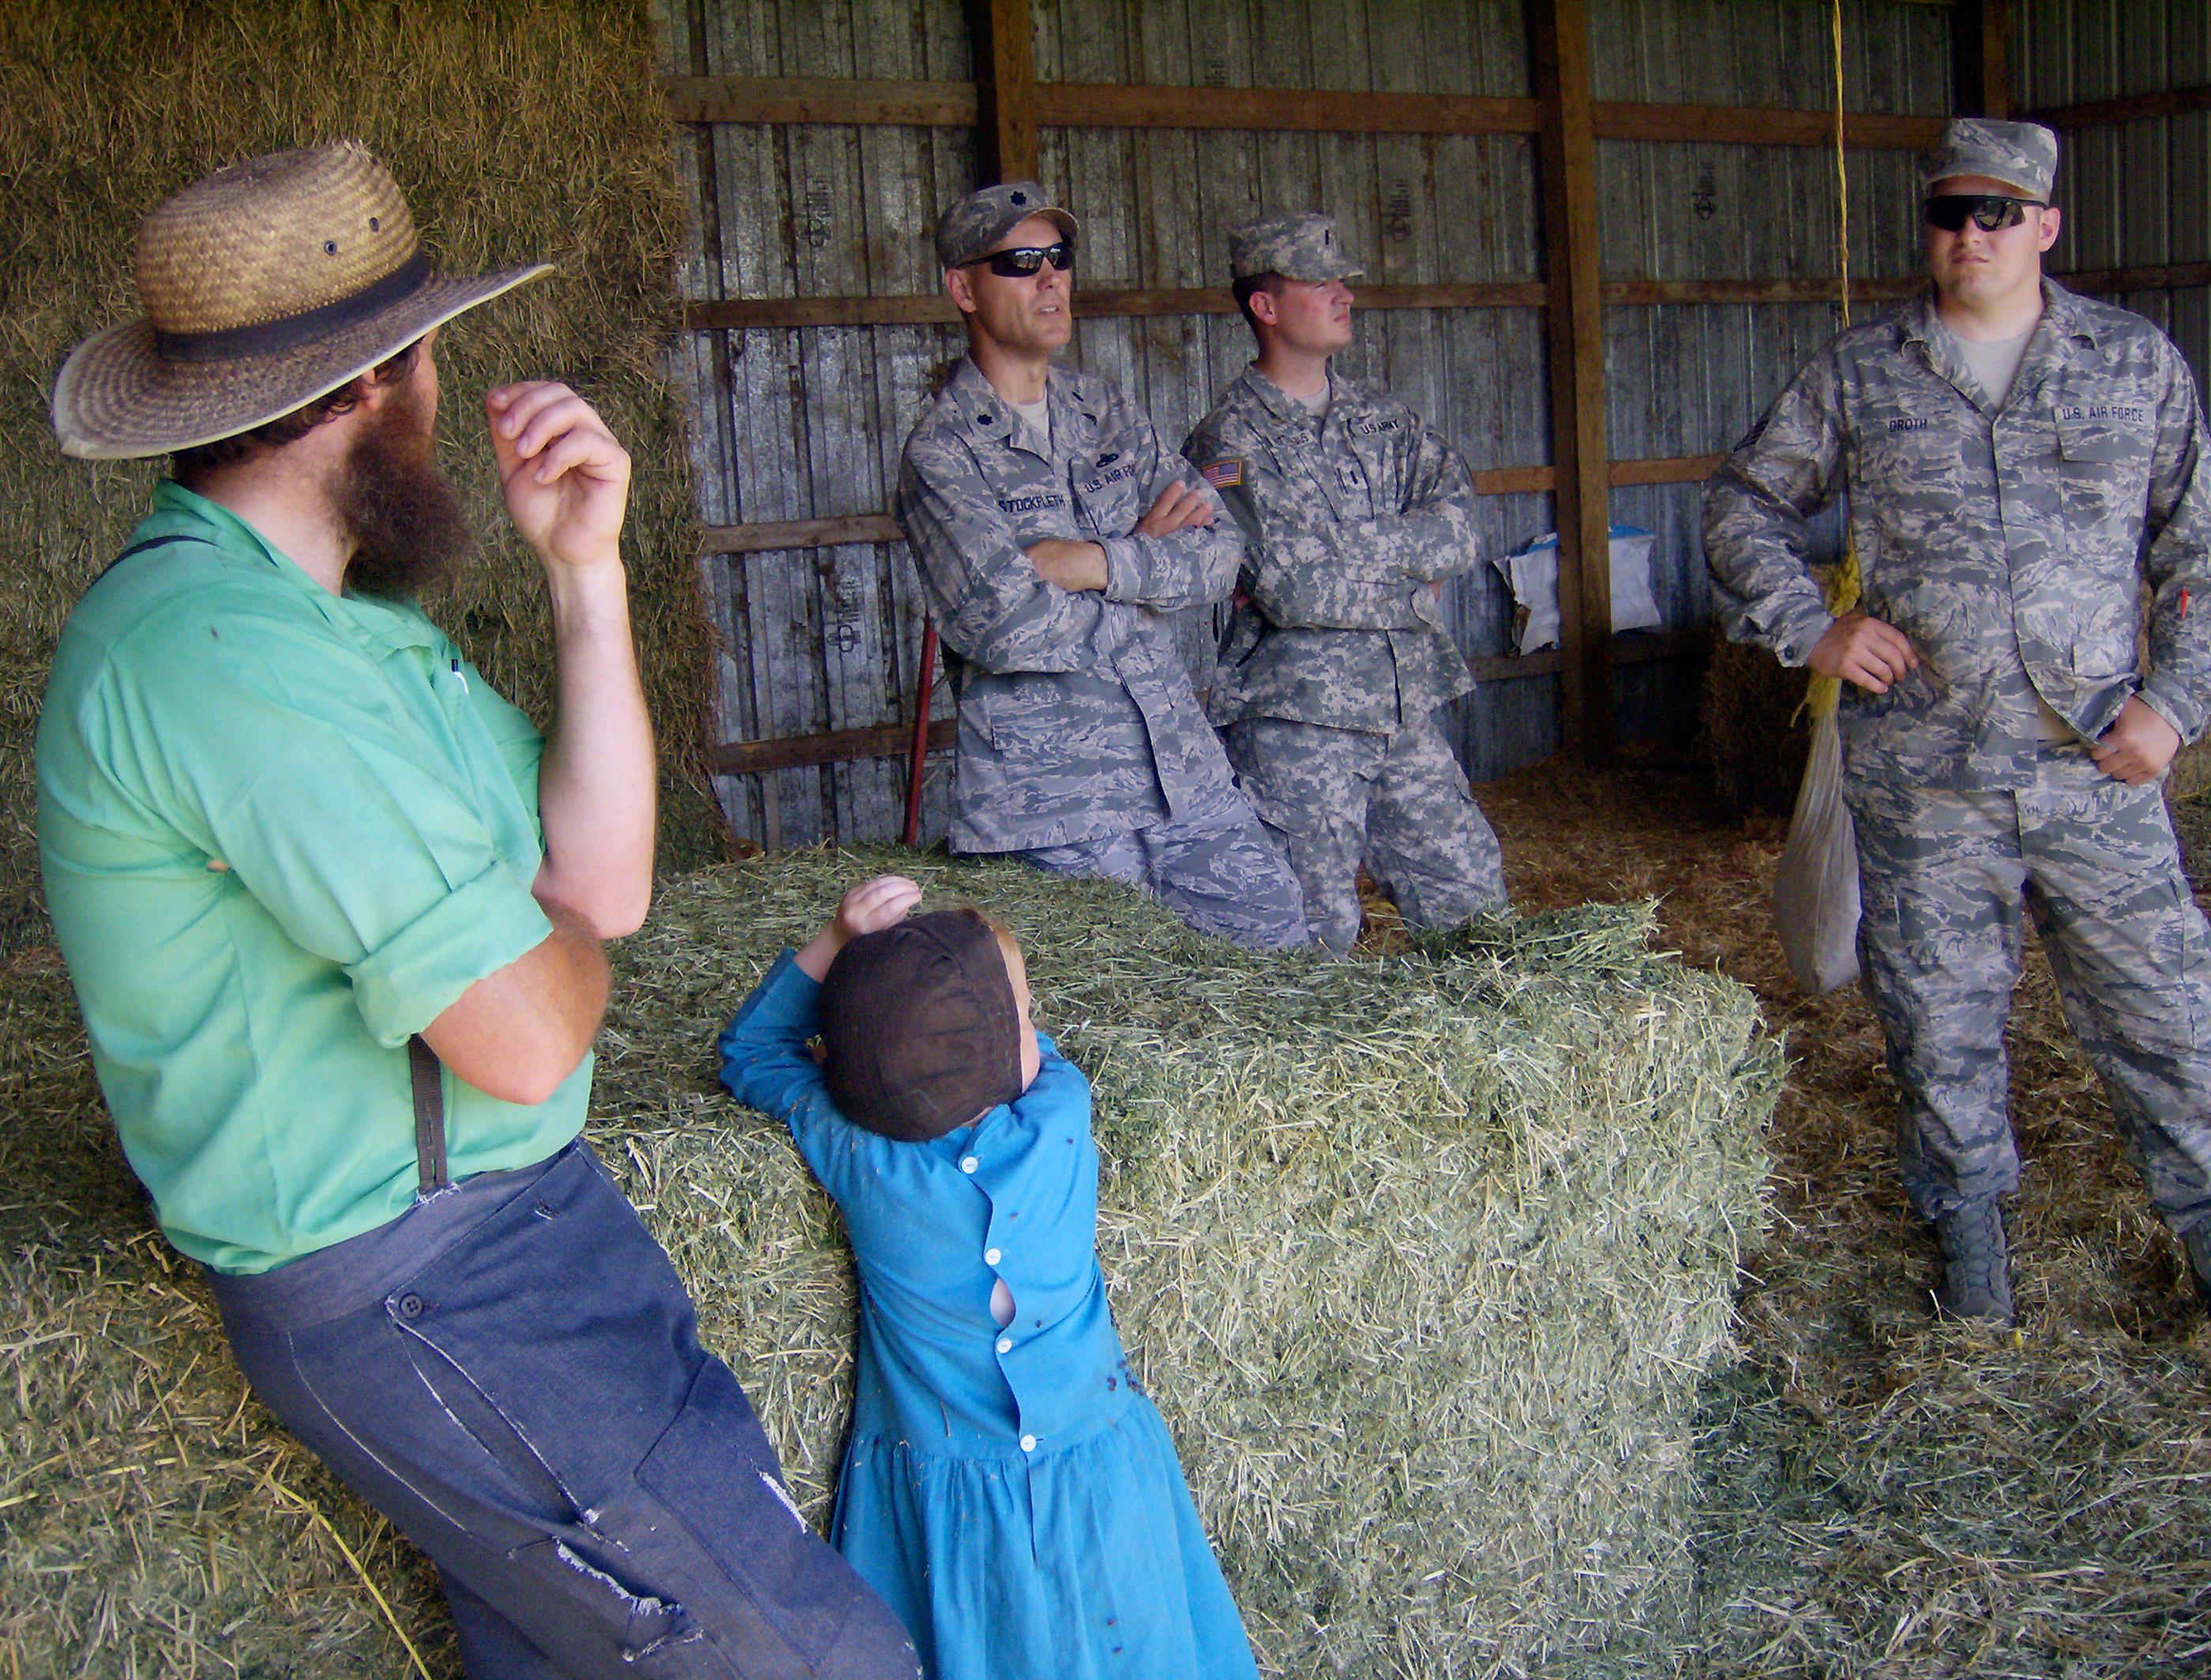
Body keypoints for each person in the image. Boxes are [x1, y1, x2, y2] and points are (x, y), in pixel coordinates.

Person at [39, 144, 917, 1678]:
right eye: (429, 349)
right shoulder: (223, 660)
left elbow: (607, 881)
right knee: (817, 1659)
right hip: (428, 1276)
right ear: (388, 375)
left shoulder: (343, 635)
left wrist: (587, 575)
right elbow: (521, 1030)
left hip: (514, 1229)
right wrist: (543, 946)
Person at [1705, 118, 2211, 1324]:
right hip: (1925, 776)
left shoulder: (2133, 365)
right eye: (1950, 212)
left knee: (2172, 1021)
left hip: (2097, 764)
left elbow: (2198, 551)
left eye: (1999, 212)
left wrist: (2177, 707)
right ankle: (1972, 1254)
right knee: (1940, 1033)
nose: (1970, 233)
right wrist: (1809, 627)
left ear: (2045, 225)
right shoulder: (1861, 372)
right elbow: (1741, 505)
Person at [716, 874, 1261, 1680]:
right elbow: (1027, 1055)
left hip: (949, 1510)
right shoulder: (1059, 1114)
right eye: (1025, 1016)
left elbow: (751, 1051)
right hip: (1098, 1476)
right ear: (1014, 1051)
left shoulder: (859, 1155)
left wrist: (835, 945)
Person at [894, 182, 1309, 951]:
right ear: (963, 288)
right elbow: (1008, 628)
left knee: (1280, 949)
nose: (1051, 279)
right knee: (1120, 1021)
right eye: (1020, 262)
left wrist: (1087, 563)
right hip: (1054, 811)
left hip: (1184, 775)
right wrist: (1151, 568)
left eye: (1059, 257)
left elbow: (1220, 555)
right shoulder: (943, 455)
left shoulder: (1105, 412)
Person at [1183, 213, 1507, 952]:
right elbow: (1291, 591)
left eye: (1344, 281)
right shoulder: (1228, 440)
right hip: (1298, 725)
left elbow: (1459, 528)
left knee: (1473, 907)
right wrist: (1407, 580)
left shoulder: (1383, 419)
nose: (1343, 294)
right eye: (1319, 281)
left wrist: (1347, 547)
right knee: (1312, 937)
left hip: (1401, 707)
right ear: (1265, 306)